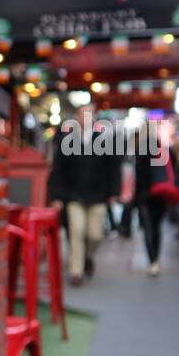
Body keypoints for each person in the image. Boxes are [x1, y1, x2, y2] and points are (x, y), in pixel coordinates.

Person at [48, 107, 121, 286]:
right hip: (74, 195)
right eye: (83, 114)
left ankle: (88, 257)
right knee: (76, 231)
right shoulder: (68, 140)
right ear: (76, 118)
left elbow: (113, 168)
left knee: (95, 235)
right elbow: (57, 170)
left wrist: (114, 192)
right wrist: (56, 196)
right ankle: (76, 271)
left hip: (98, 195)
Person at [134, 136, 179, 276]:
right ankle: (155, 259)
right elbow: (176, 172)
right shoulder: (167, 151)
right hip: (161, 195)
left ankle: (152, 261)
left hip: (146, 196)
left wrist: (135, 198)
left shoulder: (141, 153)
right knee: (156, 228)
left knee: (148, 228)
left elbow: (137, 176)